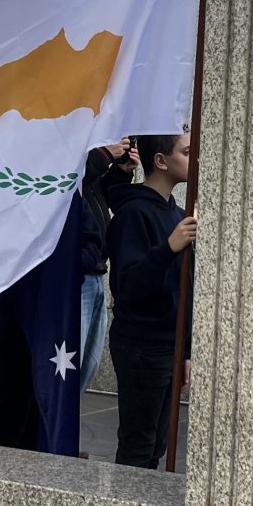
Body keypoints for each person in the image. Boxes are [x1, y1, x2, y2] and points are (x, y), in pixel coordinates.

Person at [107, 133, 195, 469]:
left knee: (157, 442)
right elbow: (128, 287)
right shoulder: (134, 214)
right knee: (138, 443)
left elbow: (184, 288)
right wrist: (167, 248)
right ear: (160, 161)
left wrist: (185, 350)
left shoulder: (176, 213)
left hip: (168, 345)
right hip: (141, 346)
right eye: (187, 152)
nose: (195, 158)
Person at [76, 141, 138, 405]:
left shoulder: (94, 160)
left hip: (98, 269)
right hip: (78, 273)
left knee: (88, 363)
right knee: (68, 361)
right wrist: (102, 155)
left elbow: (102, 195)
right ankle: (53, 435)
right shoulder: (74, 146)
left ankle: (64, 433)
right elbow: (71, 180)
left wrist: (121, 170)